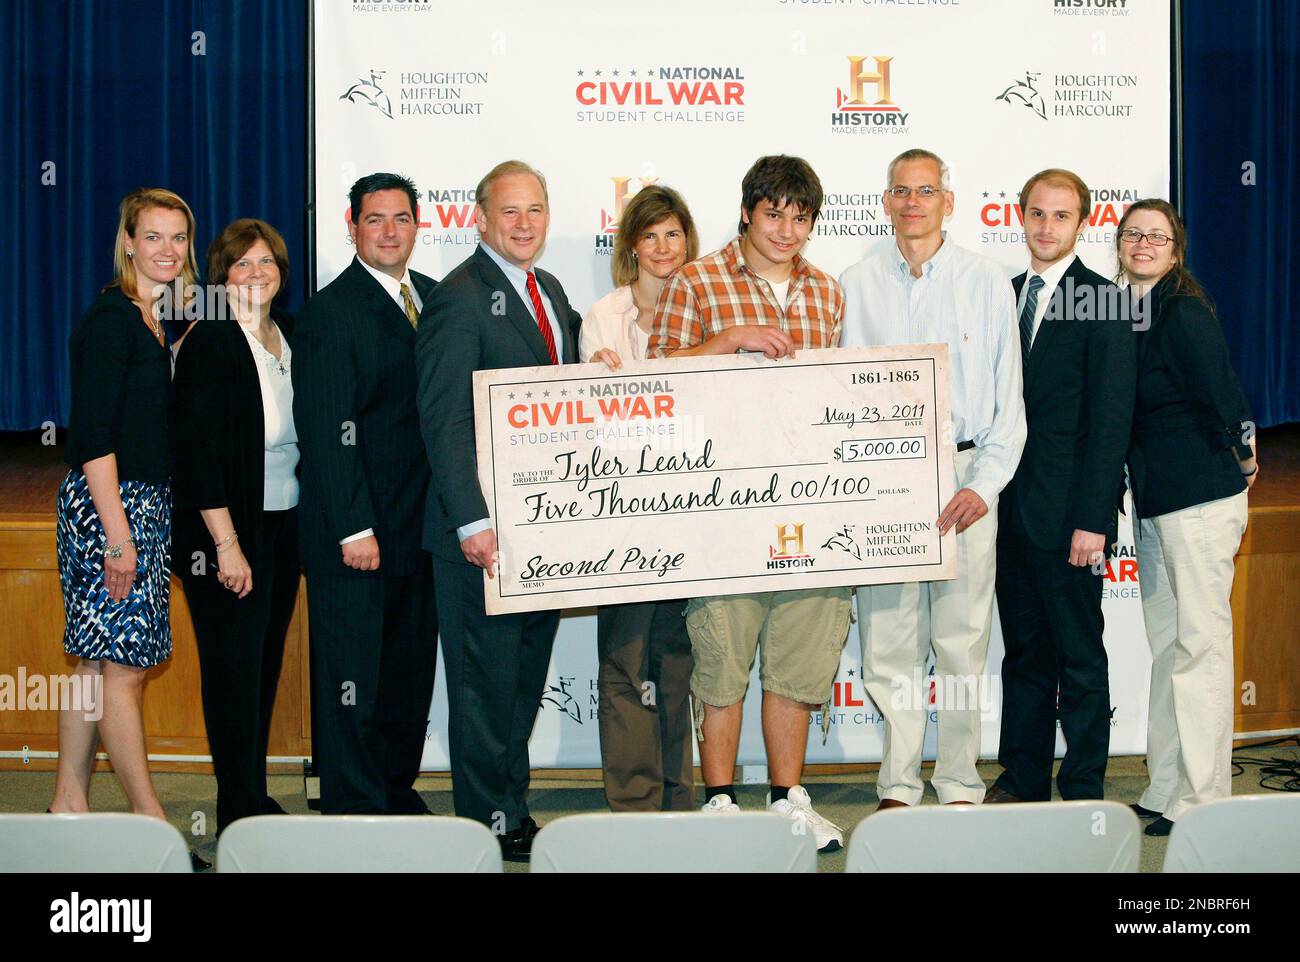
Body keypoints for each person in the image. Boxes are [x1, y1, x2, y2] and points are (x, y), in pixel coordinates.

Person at [647, 154, 849, 852]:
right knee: (723, 659)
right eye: (774, 214)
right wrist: (728, 343)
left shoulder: (827, 292)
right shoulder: (697, 281)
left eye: (801, 217)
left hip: (808, 506)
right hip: (721, 506)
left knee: (797, 660)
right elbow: (656, 379)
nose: (787, 229)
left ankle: (790, 797)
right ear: (746, 212)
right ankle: (721, 801)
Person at [839, 148, 1026, 810]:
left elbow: (1010, 404)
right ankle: (896, 782)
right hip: (885, 483)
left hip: (967, 478)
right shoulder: (853, 284)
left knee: (962, 645)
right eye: (900, 191)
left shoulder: (986, 281)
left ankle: (957, 782)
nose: (912, 202)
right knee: (888, 641)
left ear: (948, 200)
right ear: (884, 202)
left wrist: (986, 484)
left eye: (925, 190)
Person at [417, 160, 581, 861]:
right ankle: (486, 819)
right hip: (480, 536)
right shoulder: (459, 297)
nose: (523, 224)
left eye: (535, 211)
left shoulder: (549, 290)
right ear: (478, 218)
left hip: (539, 533)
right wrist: (473, 522)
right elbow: (444, 419)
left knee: (518, 684)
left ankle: (510, 807)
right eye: (509, 211)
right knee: (483, 689)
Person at [984, 169, 1135, 805]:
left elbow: (1111, 424)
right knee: (1022, 656)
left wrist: (1093, 519)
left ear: (1083, 223)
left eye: (1062, 216)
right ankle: (1021, 780)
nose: (1047, 227)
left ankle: (1082, 789)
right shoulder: (1003, 293)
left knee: (1079, 658)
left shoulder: (1104, 301)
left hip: (1072, 517)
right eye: (1038, 214)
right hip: (1007, 509)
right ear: (1020, 216)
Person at [292, 173, 438, 815]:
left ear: (417, 226)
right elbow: (327, 431)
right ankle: (353, 805)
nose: (388, 231)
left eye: (400, 219)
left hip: (423, 529)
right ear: (351, 227)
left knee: (406, 672)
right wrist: (354, 528)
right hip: (357, 535)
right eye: (374, 220)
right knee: (355, 677)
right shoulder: (329, 311)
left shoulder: (435, 299)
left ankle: (394, 789)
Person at [51, 188, 197, 826]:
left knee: (94, 661)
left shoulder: (156, 318)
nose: (167, 250)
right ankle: (151, 823)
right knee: (123, 670)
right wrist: (117, 534)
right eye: (154, 236)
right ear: (129, 243)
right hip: (111, 508)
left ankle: (67, 803)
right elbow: (93, 436)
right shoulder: (111, 319)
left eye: (178, 237)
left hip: (138, 504)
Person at [1115, 199, 1256, 837]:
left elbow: (1222, 389)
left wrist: (1244, 454)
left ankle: (1205, 802)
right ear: (1119, 244)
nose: (1143, 243)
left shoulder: (1183, 309)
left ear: (1176, 250)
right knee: (1170, 649)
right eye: (1133, 234)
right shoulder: (1130, 309)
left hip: (1199, 500)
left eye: (1157, 236)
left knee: (1200, 648)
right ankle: (1168, 786)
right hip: (1156, 504)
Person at [172, 219, 300, 833]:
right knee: (232, 672)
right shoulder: (212, 340)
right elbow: (198, 454)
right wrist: (227, 545)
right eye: (242, 265)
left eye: (266, 262)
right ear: (222, 278)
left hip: (281, 525)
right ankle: (235, 808)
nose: (256, 274)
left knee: (262, 667)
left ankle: (251, 795)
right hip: (225, 535)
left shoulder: (287, 334)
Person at [579, 184, 700, 812]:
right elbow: (596, 421)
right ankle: (632, 801)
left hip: (694, 511)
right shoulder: (604, 316)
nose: (661, 247)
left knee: (676, 658)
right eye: (649, 235)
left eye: (672, 234)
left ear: (688, 241)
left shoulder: (709, 307)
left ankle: (680, 797)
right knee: (627, 657)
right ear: (630, 245)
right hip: (622, 515)